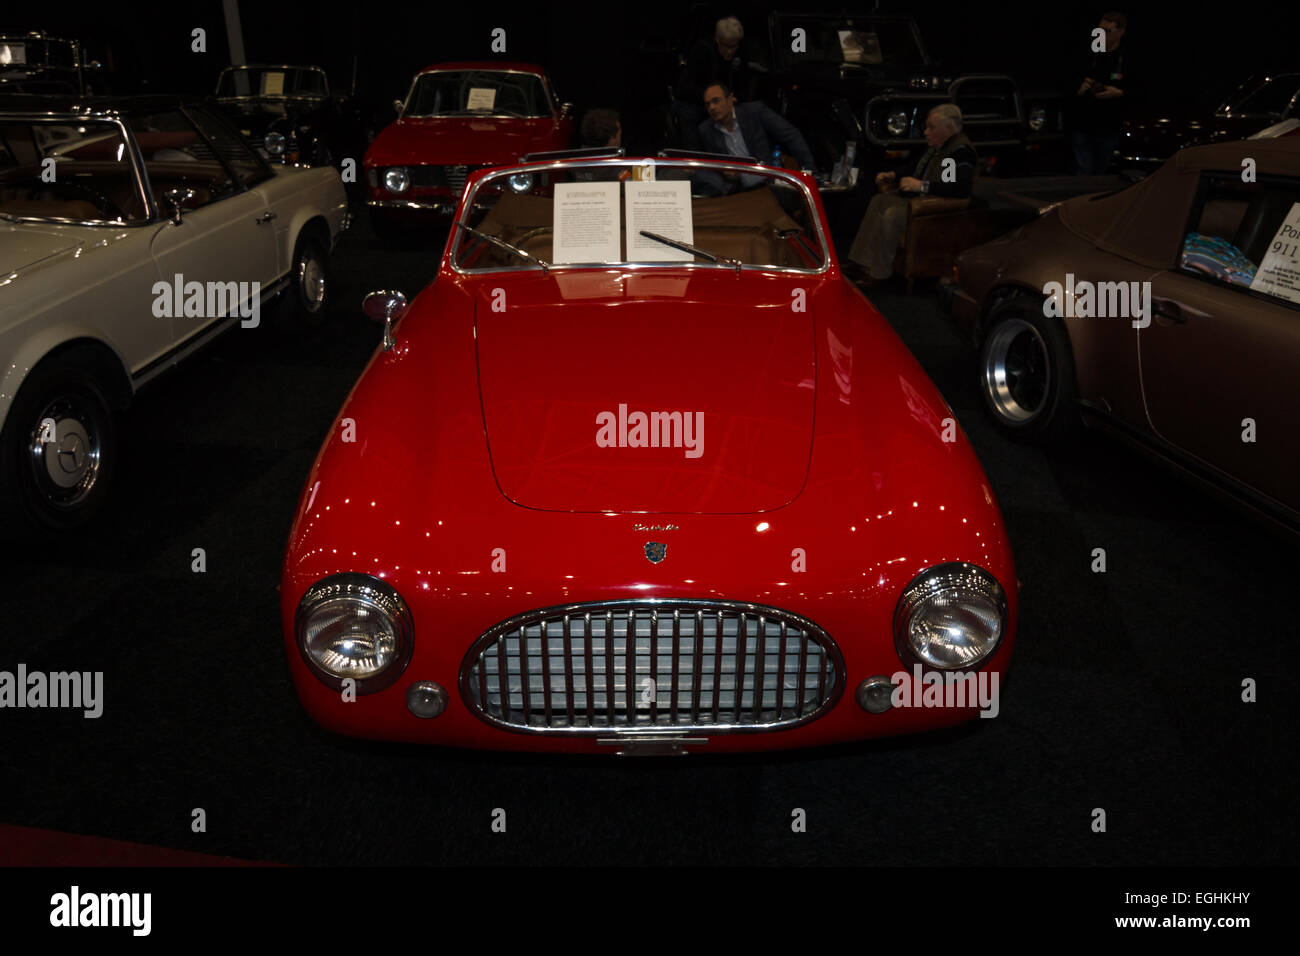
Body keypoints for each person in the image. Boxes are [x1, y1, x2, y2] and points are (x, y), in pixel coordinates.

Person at [845, 104, 976, 286]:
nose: (926, 132)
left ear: (948, 128)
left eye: (931, 127)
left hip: (933, 212)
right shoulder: (939, 148)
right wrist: (893, 175)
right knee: (879, 200)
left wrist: (921, 186)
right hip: (920, 202)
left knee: (892, 214)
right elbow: (916, 167)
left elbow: (954, 188)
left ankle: (879, 273)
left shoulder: (956, 153)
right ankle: (861, 262)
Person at [694, 81, 817, 195]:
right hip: (740, 192)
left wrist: (809, 172)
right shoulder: (706, 130)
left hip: (771, 184)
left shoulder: (754, 112)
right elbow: (712, 166)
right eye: (708, 104)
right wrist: (726, 174)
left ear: (730, 99)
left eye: (716, 101)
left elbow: (791, 135)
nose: (712, 107)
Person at [671, 16, 759, 148]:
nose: (730, 51)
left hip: (729, 103)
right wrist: (713, 100)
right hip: (700, 103)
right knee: (688, 113)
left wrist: (734, 99)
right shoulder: (702, 50)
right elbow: (685, 89)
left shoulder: (741, 52)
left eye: (733, 46)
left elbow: (744, 83)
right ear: (717, 40)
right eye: (726, 46)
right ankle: (695, 156)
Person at [1070, 11, 1131, 174]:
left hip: (1110, 125)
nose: (1101, 34)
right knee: (1084, 171)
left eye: (1107, 31)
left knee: (1103, 171)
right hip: (1084, 123)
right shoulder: (1090, 51)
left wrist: (1119, 92)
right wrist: (1081, 87)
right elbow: (1069, 79)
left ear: (1121, 32)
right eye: (1099, 30)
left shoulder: (1126, 56)